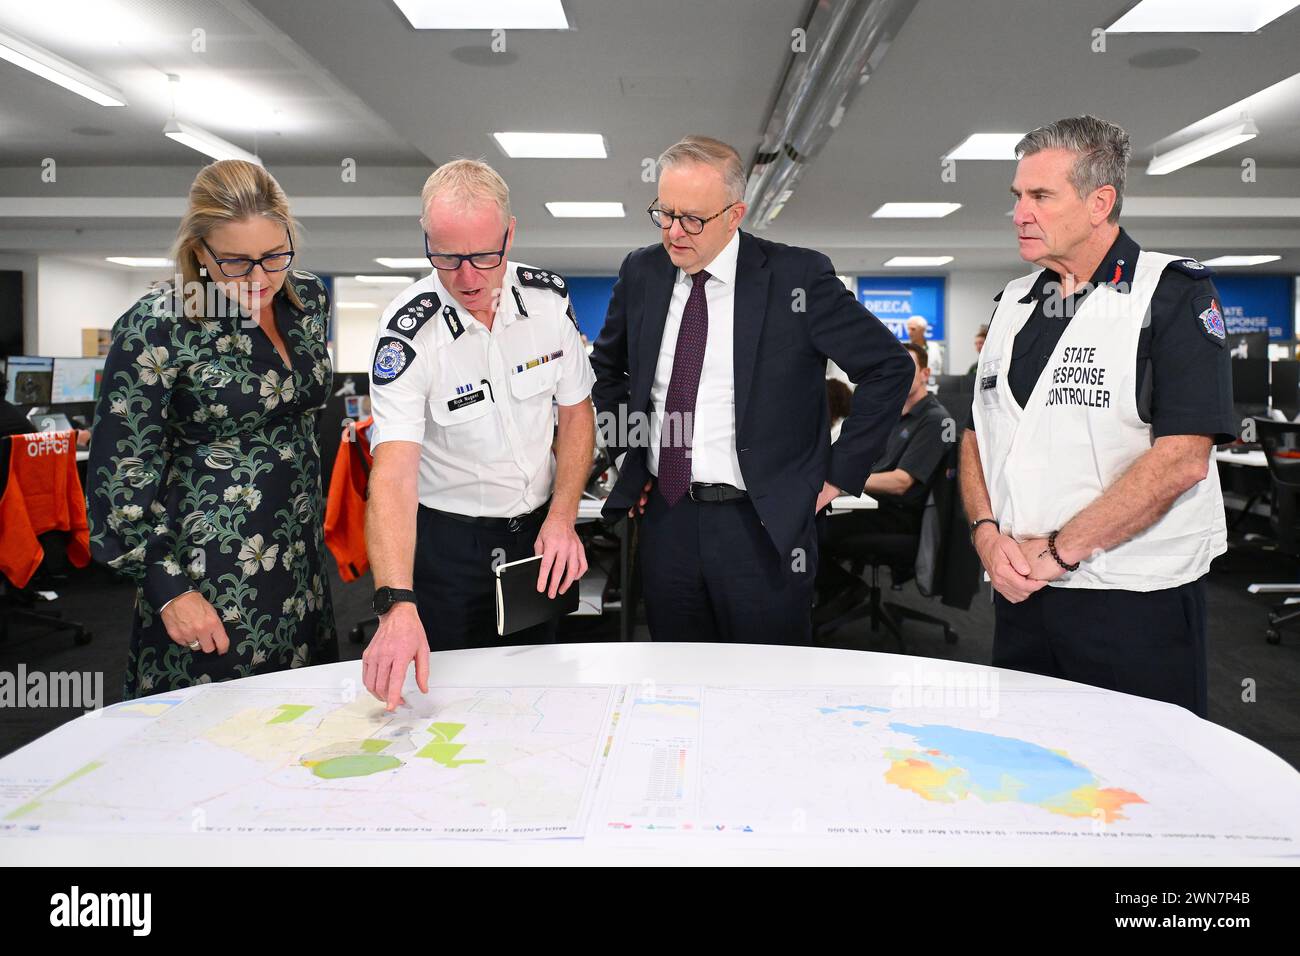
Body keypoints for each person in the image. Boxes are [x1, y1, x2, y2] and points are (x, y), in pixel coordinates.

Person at [961, 115, 1235, 716]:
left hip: (1131, 599)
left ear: (1099, 202)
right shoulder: (1012, 302)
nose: (1019, 213)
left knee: (1141, 780)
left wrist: (1059, 551)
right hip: (1022, 591)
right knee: (1028, 767)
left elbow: (1182, 460)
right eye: (1017, 197)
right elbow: (976, 432)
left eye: (1040, 196)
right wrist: (985, 534)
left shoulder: (1170, 294)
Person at [590, 135, 913, 644]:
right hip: (666, 519)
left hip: (762, 523)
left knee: (769, 687)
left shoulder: (795, 277)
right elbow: (605, 372)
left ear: (734, 214)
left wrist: (837, 475)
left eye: (692, 219)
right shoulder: (642, 272)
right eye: (664, 213)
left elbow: (889, 367)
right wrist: (629, 450)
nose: (674, 232)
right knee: (677, 681)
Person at [87, 159, 337, 698]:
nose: (259, 278)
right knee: (215, 734)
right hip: (207, 567)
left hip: (299, 557)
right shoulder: (158, 323)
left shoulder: (308, 299)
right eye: (235, 262)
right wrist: (170, 591)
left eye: (275, 255)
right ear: (200, 252)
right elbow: (118, 475)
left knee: (305, 722)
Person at [361, 159, 595, 710]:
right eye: (446, 257)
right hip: (447, 549)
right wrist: (395, 602)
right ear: (426, 241)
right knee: (443, 709)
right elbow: (392, 475)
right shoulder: (407, 334)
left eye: (486, 256)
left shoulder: (549, 302)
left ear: (511, 233)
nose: (468, 278)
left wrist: (562, 517)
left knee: (540, 696)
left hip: (537, 540)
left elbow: (577, 413)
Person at [817, 343, 952, 607]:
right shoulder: (894, 414)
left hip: (899, 518)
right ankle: (834, 592)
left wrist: (845, 478)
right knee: (812, 522)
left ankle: (846, 588)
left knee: (813, 531)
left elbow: (901, 482)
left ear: (925, 374)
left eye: (908, 370)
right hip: (875, 509)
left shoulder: (934, 420)